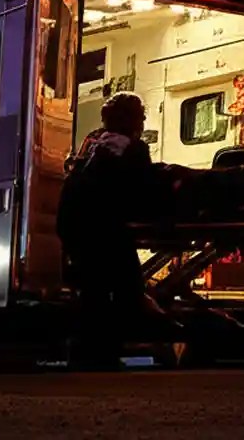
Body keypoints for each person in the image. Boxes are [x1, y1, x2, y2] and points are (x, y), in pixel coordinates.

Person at [57, 91, 165, 369]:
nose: (142, 120)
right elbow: (144, 189)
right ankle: (103, 351)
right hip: (104, 228)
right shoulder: (134, 148)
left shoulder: (91, 140)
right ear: (134, 120)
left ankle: (85, 351)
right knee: (127, 286)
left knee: (93, 288)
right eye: (140, 116)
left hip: (73, 223)